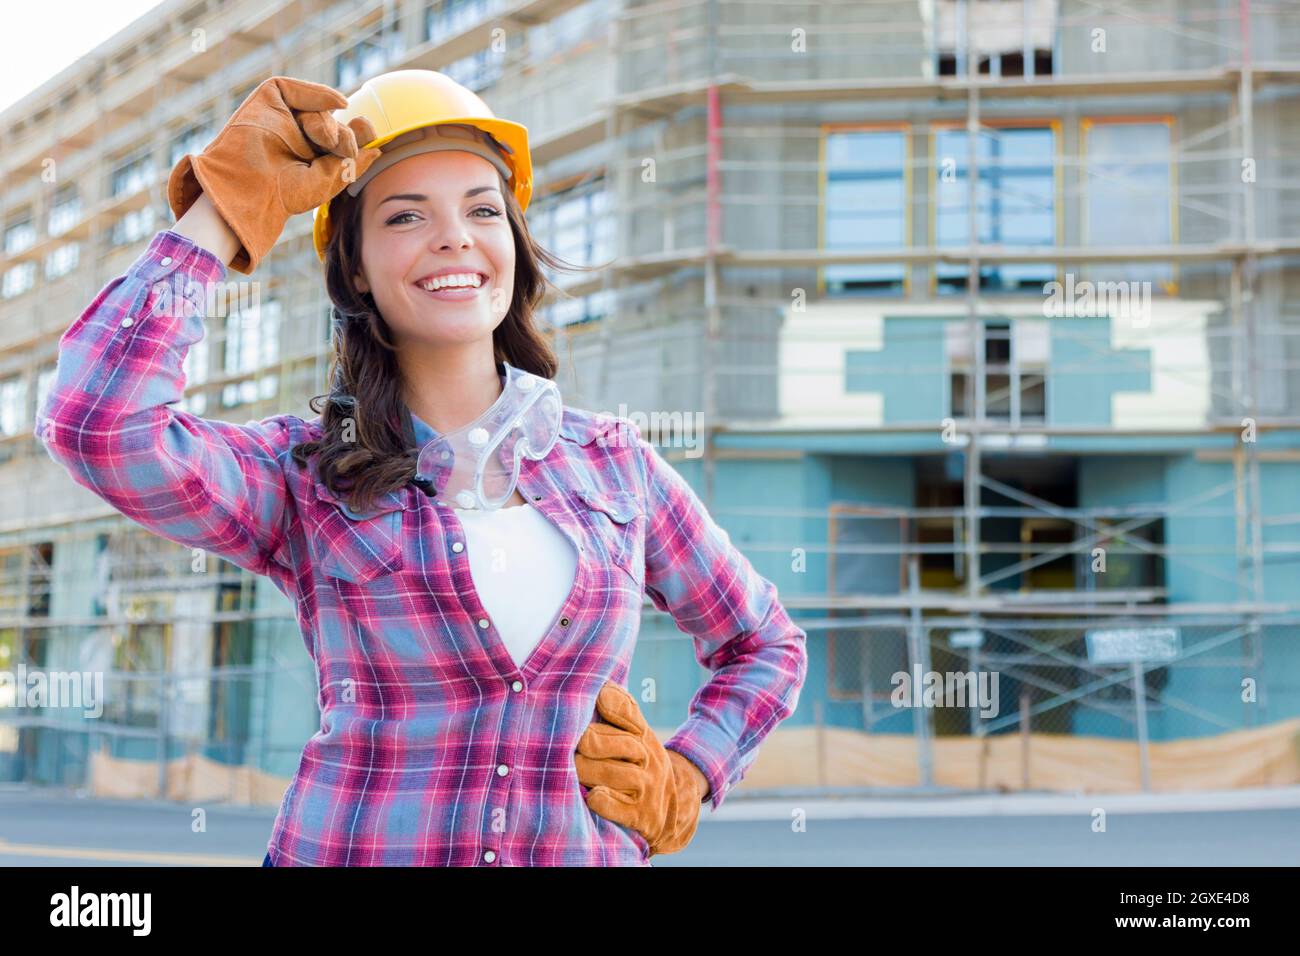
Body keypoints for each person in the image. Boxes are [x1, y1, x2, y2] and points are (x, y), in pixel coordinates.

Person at [36, 70, 807, 866]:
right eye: (407, 215)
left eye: (481, 209)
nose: (455, 236)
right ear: (358, 268)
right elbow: (98, 423)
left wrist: (688, 773)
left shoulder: (616, 467)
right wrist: (220, 211)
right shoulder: (304, 475)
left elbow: (767, 644)